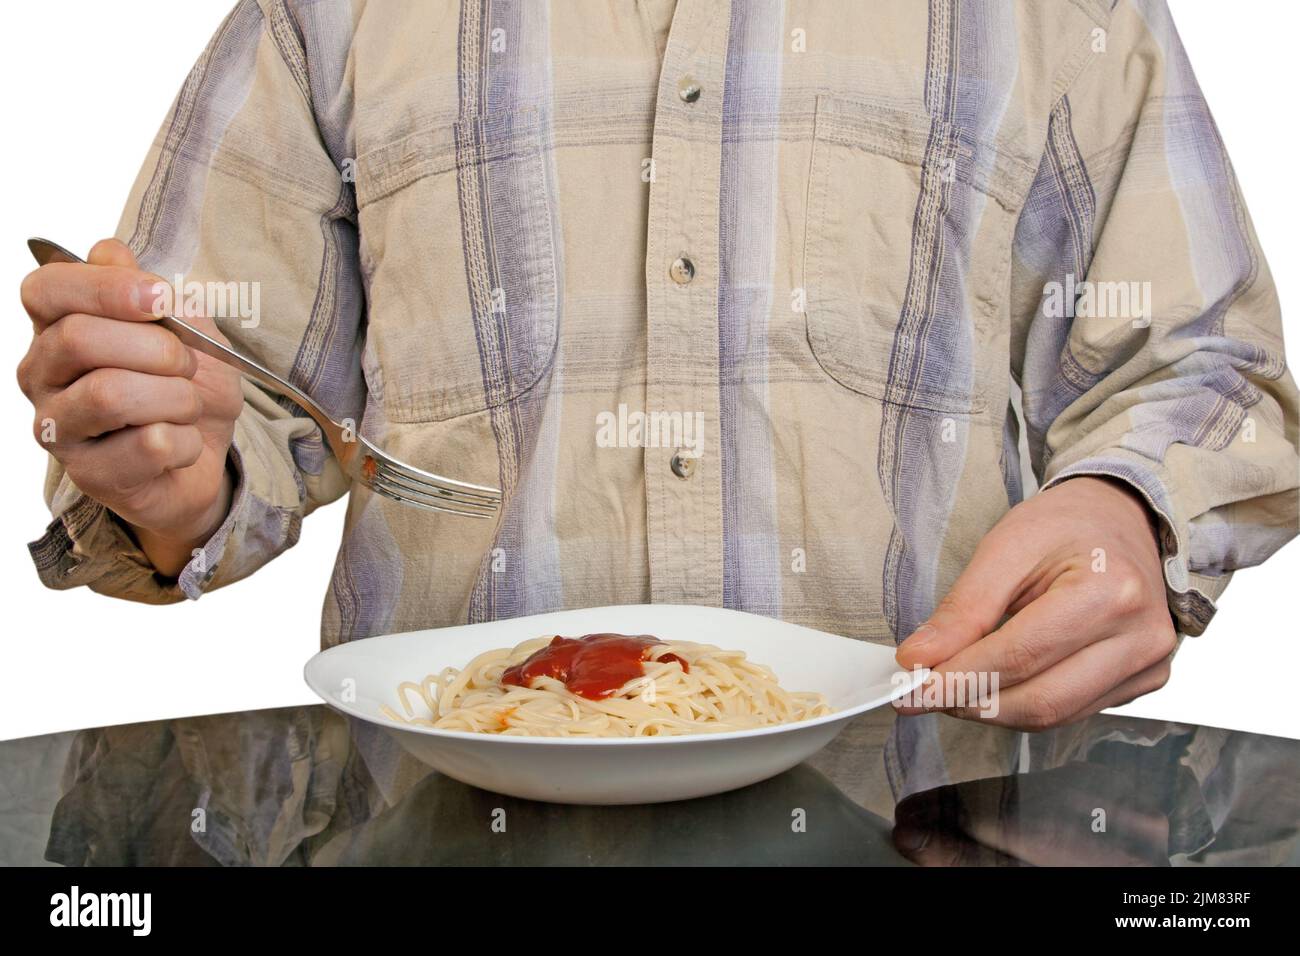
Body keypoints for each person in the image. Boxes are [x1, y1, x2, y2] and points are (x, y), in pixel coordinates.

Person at [16, 0, 1298, 800]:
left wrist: (1130, 504)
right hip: (436, 835)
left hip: (937, 821)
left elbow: (1201, 365)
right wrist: (162, 462)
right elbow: (209, 406)